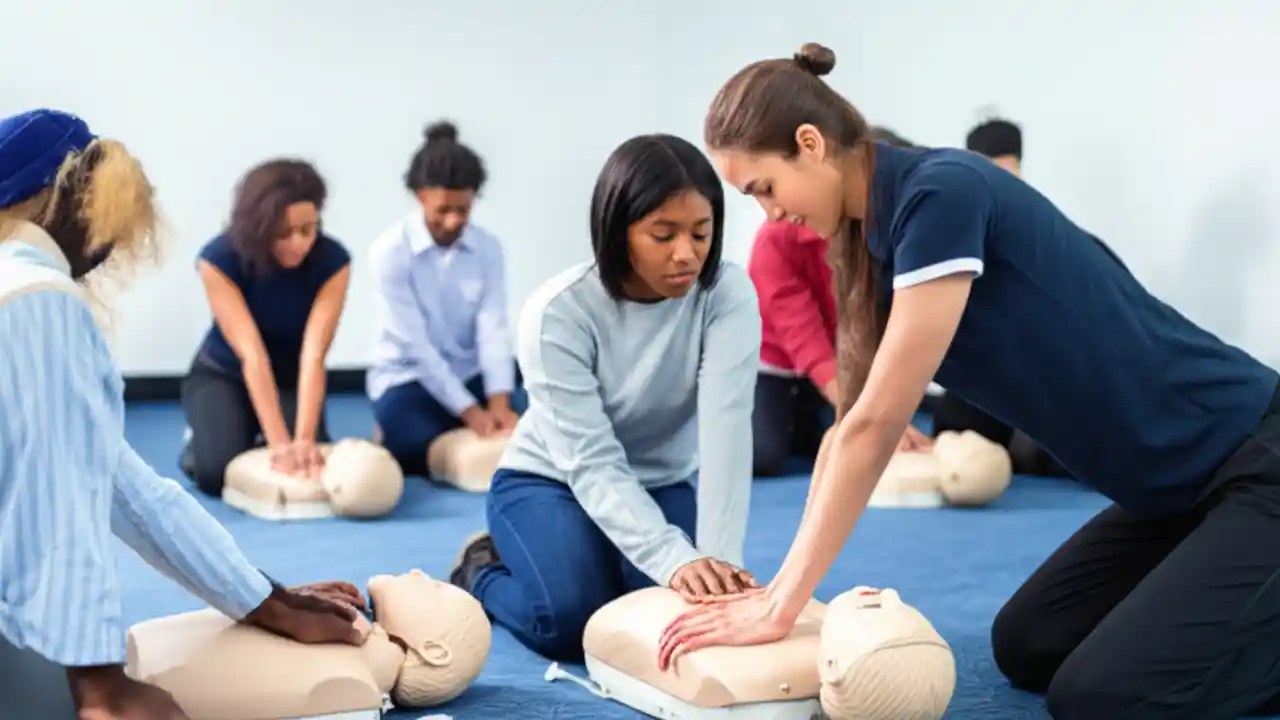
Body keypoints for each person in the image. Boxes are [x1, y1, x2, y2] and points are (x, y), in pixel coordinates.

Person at [658, 44, 1280, 720]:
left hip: (1254, 458)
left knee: (1103, 700)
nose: (770, 214)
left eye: (765, 190)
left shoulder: (940, 192)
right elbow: (851, 426)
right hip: (1172, 494)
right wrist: (777, 590)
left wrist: (778, 611)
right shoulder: (881, 237)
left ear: (809, 145)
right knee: (1028, 645)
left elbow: (874, 429)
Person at [0, 109, 366, 720]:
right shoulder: (37, 297)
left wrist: (260, 596)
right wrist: (99, 682)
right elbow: (56, 496)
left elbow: (123, 486)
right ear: (67, 195)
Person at [447, 133, 760, 661]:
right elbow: (591, 462)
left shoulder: (725, 293)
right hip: (551, 480)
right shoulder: (558, 314)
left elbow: (728, 427)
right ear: (618, 233)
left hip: (660, 482)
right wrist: (671, 557)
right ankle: (480, 567)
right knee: (571, 622)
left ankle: (611, 556)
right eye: (663, 235)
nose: (687, 254)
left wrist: (716, 565)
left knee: (671, 613)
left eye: (701, 234)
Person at [749, 126, 931, 476]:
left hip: (841, 357)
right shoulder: (775, 241)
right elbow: (803, 337)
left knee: (845, 440)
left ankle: (806, 419)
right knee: (764, 455)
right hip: (773, 360)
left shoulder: (899, 232)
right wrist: (863, 412)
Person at [180, 159, 351, 496]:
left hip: (291, 377)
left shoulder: (333, 262)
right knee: (215, 472)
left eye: (308, 229)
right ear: (260, 227)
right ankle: (202, 440)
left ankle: (260, 431)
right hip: (223, 373)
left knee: (312, 455)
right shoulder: (219, 258)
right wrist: (278, 444)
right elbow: (252, 355)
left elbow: (314, 356)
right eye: (284, 233)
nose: (299, 243)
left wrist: (302, 440)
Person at [368, 121, 525, 476]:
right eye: (443, 210)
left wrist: (498, 403)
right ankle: (399, 433)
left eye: (463, 210)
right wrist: (471, 413)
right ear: (421, 196)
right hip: (410, 378)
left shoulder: (488, 248)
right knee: (409, 448)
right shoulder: (390, 252)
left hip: (470, 373)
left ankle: (461, 425)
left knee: (535, 420)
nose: (454, 221)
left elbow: (494, 328)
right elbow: (417, 348)